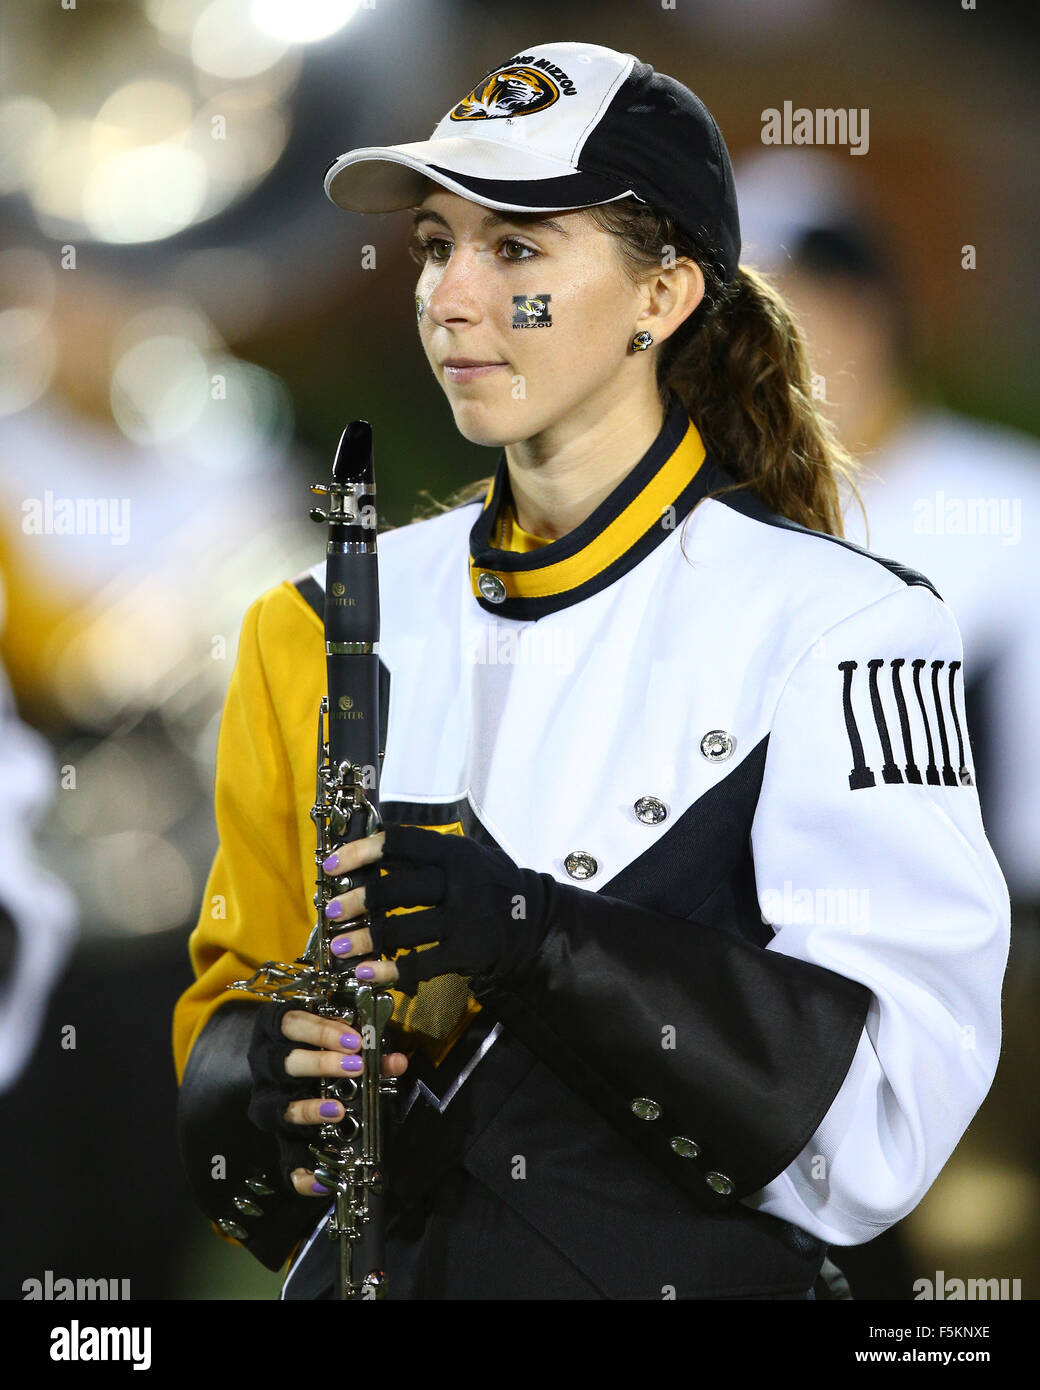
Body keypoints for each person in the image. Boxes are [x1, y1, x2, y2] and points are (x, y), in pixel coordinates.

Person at [172, 41, 1010, 1301]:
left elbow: (882, 1121)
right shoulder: (303, 626)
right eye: (433, 247)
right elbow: (227, 1016)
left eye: (514, 248)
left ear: (661, 295)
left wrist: (543, 935)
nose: (451, 296)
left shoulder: (842, 626)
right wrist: (265, 1078)